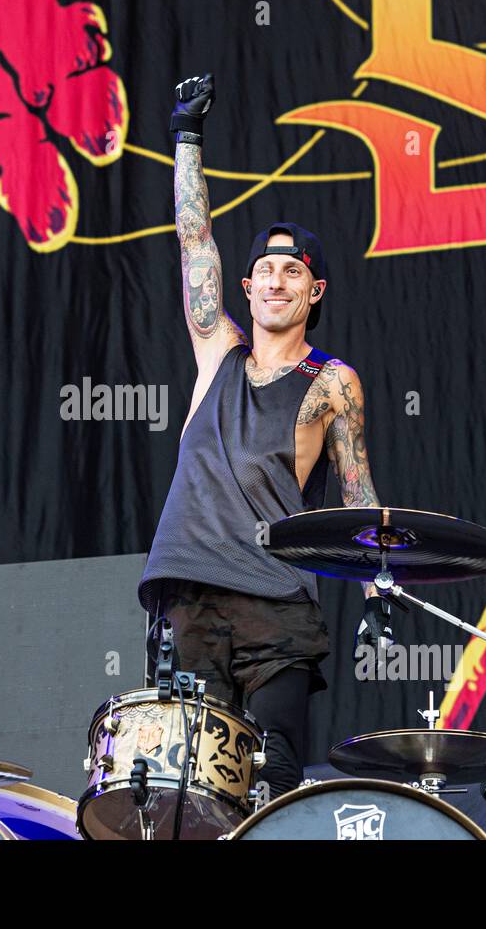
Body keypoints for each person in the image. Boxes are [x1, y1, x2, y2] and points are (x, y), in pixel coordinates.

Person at [139, 74, 390, 799]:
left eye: (292, 271)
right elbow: (194, 238)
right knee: (194, 786)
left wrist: (378, 578)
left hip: (276, 597)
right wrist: (187, 137)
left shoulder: (333, 380)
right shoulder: (218, 346)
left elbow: (357, 488)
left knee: (275, 772)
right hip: (187, 592)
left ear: (315, 291)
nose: (275, 280)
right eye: (264, 271)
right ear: (245, 288)